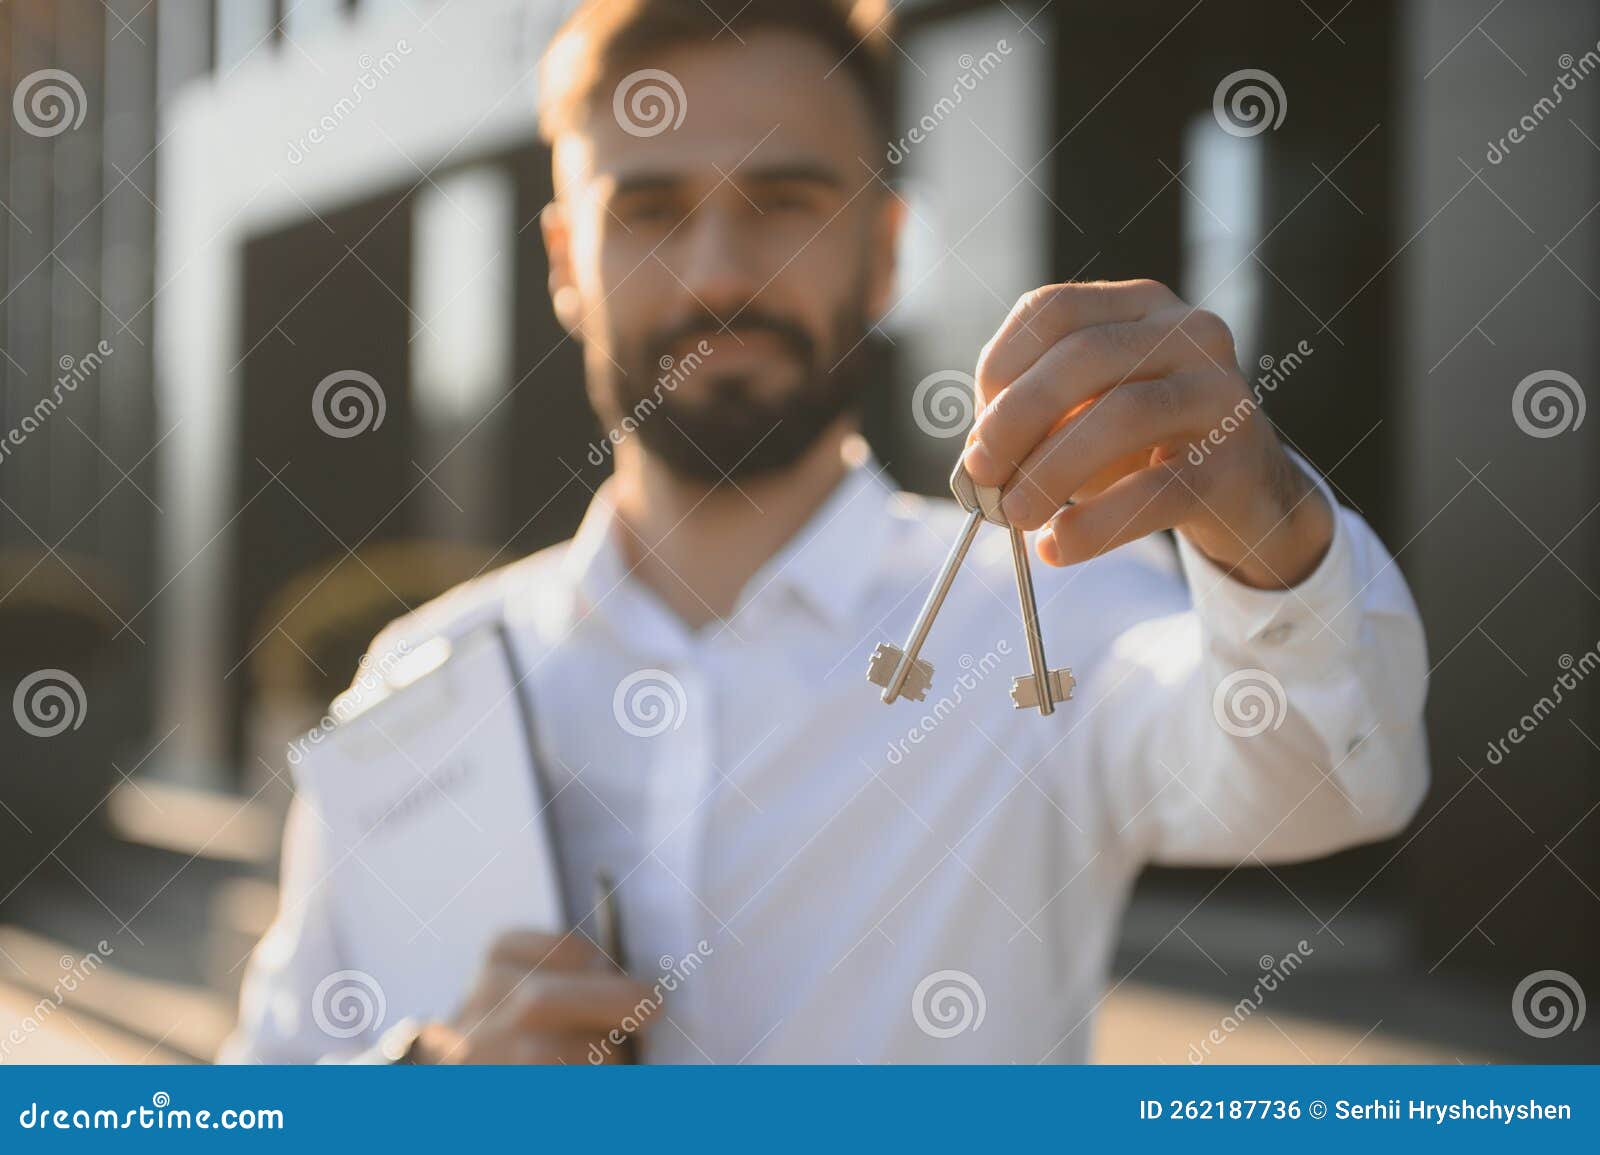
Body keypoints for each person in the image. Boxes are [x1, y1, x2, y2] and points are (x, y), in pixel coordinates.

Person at [223, 0, 1428, 1064]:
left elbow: (1335, 778)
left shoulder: (1054, 609)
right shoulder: (418, 679)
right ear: (564, 262)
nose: (717, 270)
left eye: (783, 200)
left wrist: (1267, 527)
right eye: (650, 208)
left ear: (887, 248)